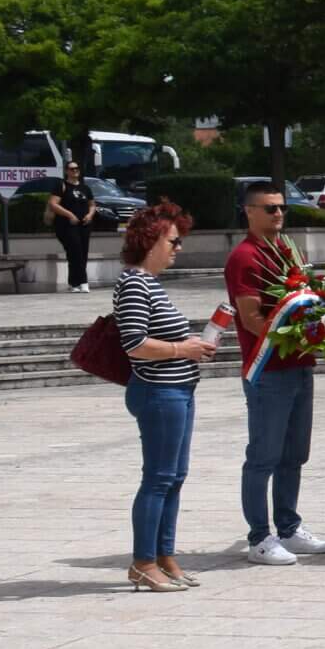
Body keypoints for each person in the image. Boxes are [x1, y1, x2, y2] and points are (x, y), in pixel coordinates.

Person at [222, 182, 325, 567]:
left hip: (299, 363)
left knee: (294, 454)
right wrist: (297, 332)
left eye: (282, 208)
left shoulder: (288, 251)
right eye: (269, 208)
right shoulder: (244, 257)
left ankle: (288, 527)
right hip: (268, 367)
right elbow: (251, 318)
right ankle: (259, 537)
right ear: (249, 211)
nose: (278, 214)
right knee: (263, 456)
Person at [113, 204, 214, 591]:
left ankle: (164, 557)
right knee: (157, 479)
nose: (178, 248)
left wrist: (192, 349)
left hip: (178, 390)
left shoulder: (150, 282)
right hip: (159, 392)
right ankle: (142, 562)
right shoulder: (135, 283)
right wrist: (181, 350)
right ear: (152, 238)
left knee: (174, 477)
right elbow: (135, 344)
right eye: (174, 240)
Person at [46, 160, 97, 293]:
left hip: (84, 225)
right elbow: (53, 204)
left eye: (77, 168)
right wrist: (70, 215)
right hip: (66, 225)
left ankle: (74, 283)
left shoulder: (85, 188)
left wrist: (90, 215)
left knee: (81, 253)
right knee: (76, 251)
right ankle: (84, 281)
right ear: (66, 171)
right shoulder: (61, 185)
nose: (75, 171)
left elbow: (92, 204)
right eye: (72, 169)